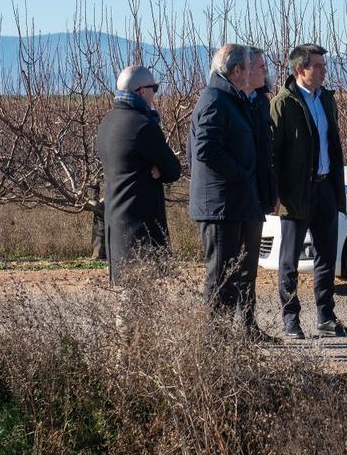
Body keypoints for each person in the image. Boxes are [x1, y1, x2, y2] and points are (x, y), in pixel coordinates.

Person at [189, 44, 278, 342]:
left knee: (244, 273)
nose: (260, 71)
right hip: (221, 206)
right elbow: (204, 150)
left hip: (243, 202)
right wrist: (242, 176)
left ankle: (244, 331)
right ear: (238, 70)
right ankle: (217, 339)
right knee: (221, 276)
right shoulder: (215, 100)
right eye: (253, 66)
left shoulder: (238, 100)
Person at [270, 43, 347, 339]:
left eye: (324, 65)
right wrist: (275, 193)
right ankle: (290, 318)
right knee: (289, 259)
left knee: (326, 256)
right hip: (296, 193)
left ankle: (325, 316)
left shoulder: (326, 100)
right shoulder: (283, 103)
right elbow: (273, 153)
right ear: (300, 69)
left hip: (326, 188)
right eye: (318, 65)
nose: (324, 70)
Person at [95, 65, 182, 284]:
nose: (155, 93)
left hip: (115, 226)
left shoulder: (107, 123)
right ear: (141, 91)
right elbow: (173, 169)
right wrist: (159, 169)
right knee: (143, 302)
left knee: (127, 299)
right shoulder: (143, 125)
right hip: (142, 230)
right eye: (154, 88)